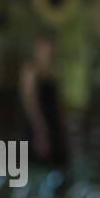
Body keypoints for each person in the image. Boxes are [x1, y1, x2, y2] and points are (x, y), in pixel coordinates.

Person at [19, 32, 70, 173]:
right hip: (38, 122)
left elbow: (59, 102)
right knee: (38, 164)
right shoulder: (30, 70)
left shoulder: (56, 71)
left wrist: (63, 124)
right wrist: (40, 129)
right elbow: (30, 102)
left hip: (54, 123)